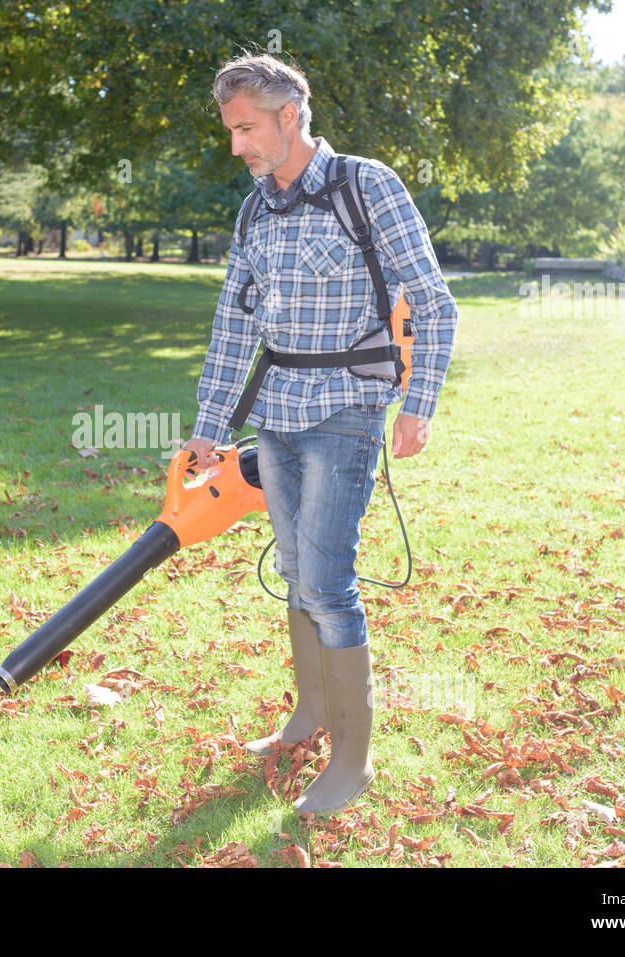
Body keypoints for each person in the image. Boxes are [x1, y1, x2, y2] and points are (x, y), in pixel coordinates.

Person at [182, 53, 457, 816]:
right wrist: (210, 426)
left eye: (246, 129)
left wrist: (418, 403)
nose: (237, 146)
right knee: (297, 568)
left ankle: (352, 760)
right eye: (230, 130)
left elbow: (435, 303)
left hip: (350, 407)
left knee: (330, 582)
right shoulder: (254, 211)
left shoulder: (366, 186)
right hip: (277, 412)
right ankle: (306, 718)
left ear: (289, 116)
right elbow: (234, 325)